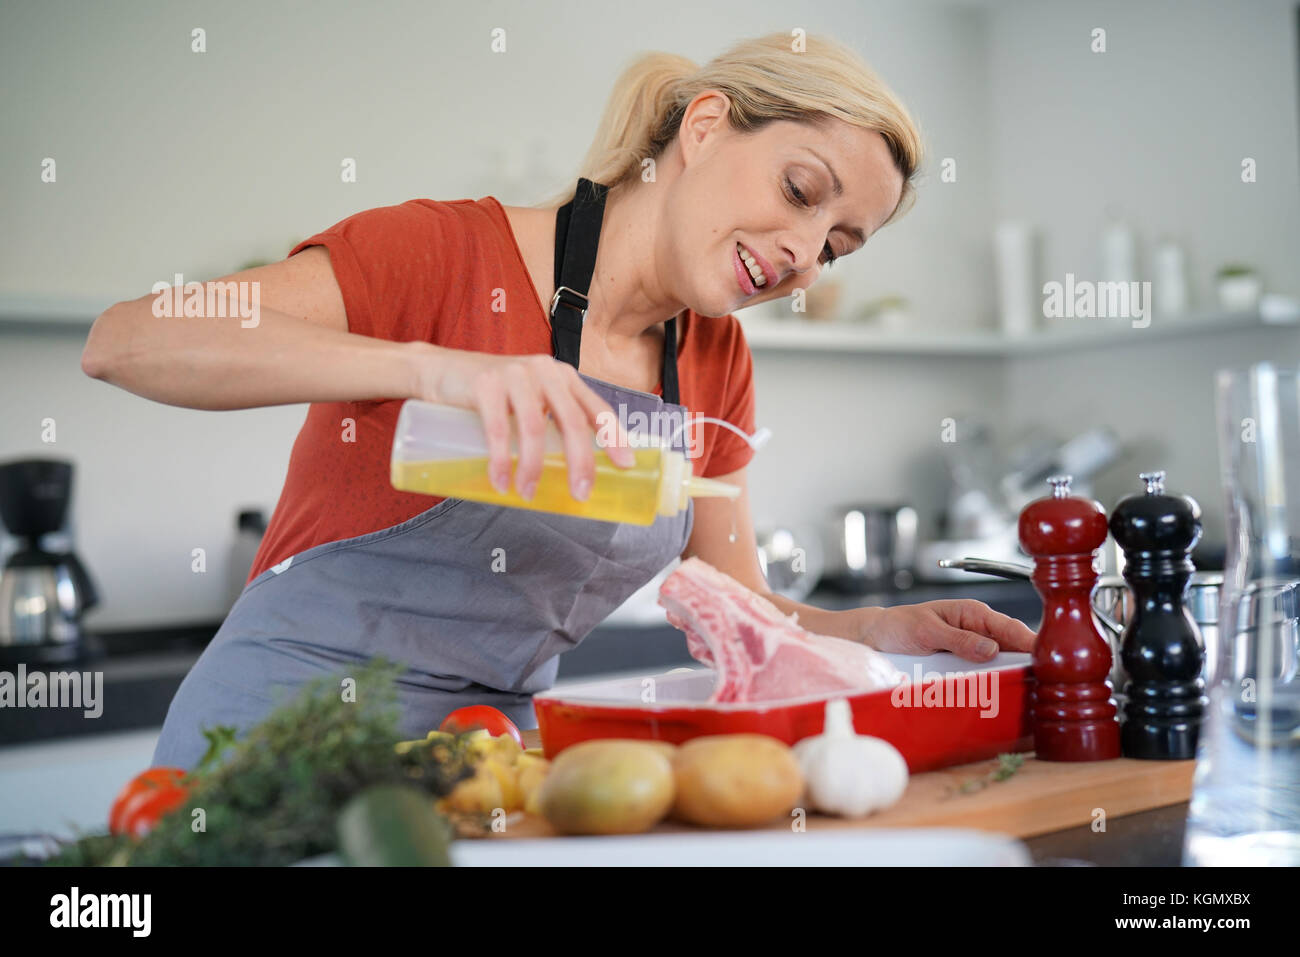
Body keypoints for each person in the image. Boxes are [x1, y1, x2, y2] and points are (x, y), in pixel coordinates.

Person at [81, 32, 1035, 770]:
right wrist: (437, 369)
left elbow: (737, 604)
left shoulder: (717, 358)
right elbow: (128, 340)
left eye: (836, 245)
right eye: (800, 190)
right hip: (270, 753)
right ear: (703, 128)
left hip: (490, 761)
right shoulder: (443, 254)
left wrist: (870, 630)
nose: (802, 253)